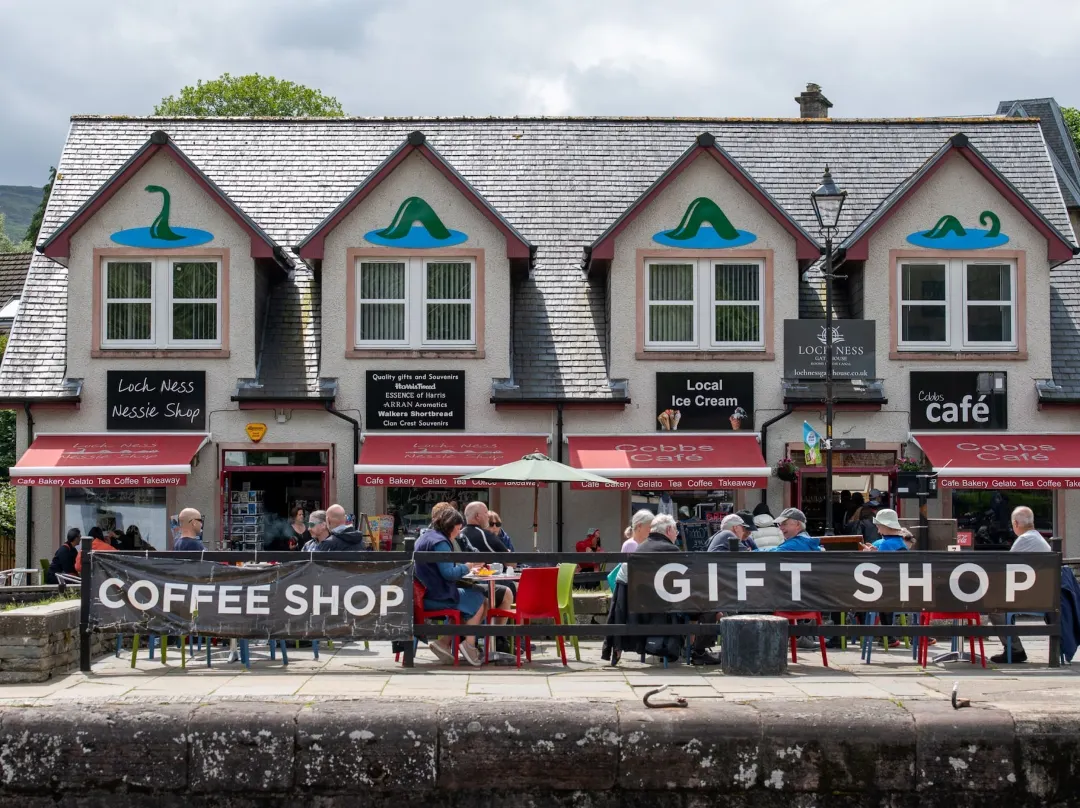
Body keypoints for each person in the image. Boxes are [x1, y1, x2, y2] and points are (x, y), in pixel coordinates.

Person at [636, 513, 720, 665]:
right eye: (675, 530)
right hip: (667, 606)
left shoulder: (641, 547)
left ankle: (686, 646)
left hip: (642, 606)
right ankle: (698, 652)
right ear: (668, 530)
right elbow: (690, 580)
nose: (677, 534)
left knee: (696, 606)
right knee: (710, 605)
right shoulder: (670, 549)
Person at [414, 508, 487, 667]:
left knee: (466, 604)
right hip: (437, 596)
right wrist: (467, 567)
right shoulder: (441, 542)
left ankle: (444, 642)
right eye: (458, 528)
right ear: (451, 526)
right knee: (481, 599)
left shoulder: (425, 537)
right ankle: (469, 645)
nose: (459, 532)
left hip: (422, 594)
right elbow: (448, 574)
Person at [989, 506, 1052, 664]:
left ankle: (1015, 650)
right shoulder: (1035, 537)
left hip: (1036, 596)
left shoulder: (1025, 539)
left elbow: (1006, 568)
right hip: (1043, 593)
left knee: (995, 609)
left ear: (1015, 523)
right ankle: (1014, 649)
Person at [603, 509, 660, 664]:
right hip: (627, 585)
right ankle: (617, 649)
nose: (651, 530)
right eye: (650, 527)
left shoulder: (648, 544)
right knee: (622, 618)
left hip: (642, 586)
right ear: (640, 527)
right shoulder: (630, 544)